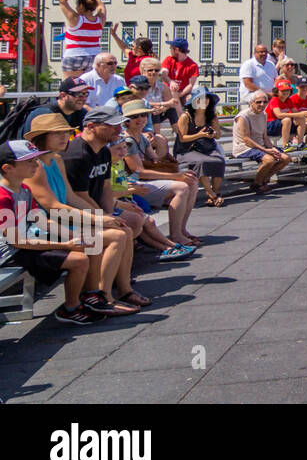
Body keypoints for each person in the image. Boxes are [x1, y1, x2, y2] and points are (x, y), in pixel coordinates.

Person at [62, 105, 151, 314]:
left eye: (119, 125)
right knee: (118, 234)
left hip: (89, 209)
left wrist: (111, 211)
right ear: (91, 127)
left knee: (128, 227)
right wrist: (104, 217)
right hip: (72, 214)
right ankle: (102, 296)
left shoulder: (101, 151)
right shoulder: (76, 155)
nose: (118, 130)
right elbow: (78, 197)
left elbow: (105, 187)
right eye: (112, 125)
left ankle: (124, 288)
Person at [1, 139, 101, 325]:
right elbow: (16, 241)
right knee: (79, 259)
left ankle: (93, 295)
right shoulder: (2, 196)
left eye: (35, 159)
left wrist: (73, 236)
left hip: (24, 243)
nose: (35, 164)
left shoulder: (23, 188)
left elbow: (40, 219)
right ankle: (70, 308)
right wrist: (65, 245)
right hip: (9, 253)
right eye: (29, 161)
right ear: (8, 168)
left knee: (91, 243)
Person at [119, 101, 202, 250]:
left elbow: (156, 159)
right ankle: (175, 234)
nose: (141, 119)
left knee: (192, 183)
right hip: (132, 185)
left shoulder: (141, 137)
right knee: (181, 187)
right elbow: (139, 171)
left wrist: (160, 149)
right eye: (135, 116)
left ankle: (181, 229)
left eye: (144, 115)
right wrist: (176, 176)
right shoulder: (128, 141)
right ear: (126, 121)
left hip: (142, 181)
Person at [174, 87, 227, 206]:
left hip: (206, 147)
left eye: (207, 99)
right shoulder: (185, 117)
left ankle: (214, 192)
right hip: (187, 149)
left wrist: (213, 134)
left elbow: (218, 135)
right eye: (201, 99)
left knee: (219, 161)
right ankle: (212, 195)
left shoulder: (211, 116)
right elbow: (182, 138)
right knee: (201, 162)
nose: (204, 101)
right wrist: (199, 135)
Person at [232, 92, 291, 194]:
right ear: (251, 103)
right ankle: (258, 184)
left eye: (265, 102)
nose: (262, 104)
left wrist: (272, 148)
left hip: (260, 146)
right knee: (269, 160)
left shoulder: (263, 114)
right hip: (243, 147)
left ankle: (262, 180)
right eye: (258, 102)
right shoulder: (243, 117)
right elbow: (246, 139)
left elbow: (264, 137)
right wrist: (266, 150)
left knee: (285, 158)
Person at [56, 0, 107, 79]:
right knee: (90, 88)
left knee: (70, 88)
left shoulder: (76, 19)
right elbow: (101, 5)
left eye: (77, 5)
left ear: (81, 6)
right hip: (94, 56)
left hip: (74, 54)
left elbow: (62, 0)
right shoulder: (100, 20)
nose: (76, 8)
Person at [138, 57, 181, 128]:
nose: (153, 72)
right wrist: (161, 104)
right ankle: (157, 135)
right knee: (154, 111)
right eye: (150, 70)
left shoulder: (162, 86)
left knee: (171, 111)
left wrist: (163, 109)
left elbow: (170, 103)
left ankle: (179, 135)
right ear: (143, 72)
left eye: (156, 70)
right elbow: (141, 102)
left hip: (158, 112)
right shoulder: (139, 86)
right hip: (143, 114)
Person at [161, 38, 199, 105]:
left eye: (171, 48)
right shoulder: (169, 60)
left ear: (177, 50)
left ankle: (190, 115)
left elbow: (190, 85)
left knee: (191, 100)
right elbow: (164, 75)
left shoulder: (192, 65)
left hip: (182, 93)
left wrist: (180, 94)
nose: (170, 50)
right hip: (167, 92)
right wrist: (171, 82)